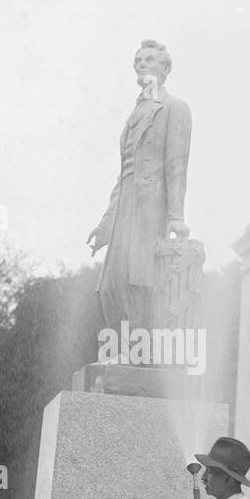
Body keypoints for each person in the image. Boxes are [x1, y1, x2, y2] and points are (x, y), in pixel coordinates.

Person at [86, 39, 191, 333]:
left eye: (150, 60)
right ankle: (123, 350)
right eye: (139, 60)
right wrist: (105, 226)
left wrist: (176, 216)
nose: (142, 64)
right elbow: (124, 175)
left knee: (140, 284)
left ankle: (138, 351)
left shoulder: (174, 108)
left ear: (165, 68)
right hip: (124, 209)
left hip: (150, 209)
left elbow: (177, 166)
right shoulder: (134, 114)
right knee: (109, 288)